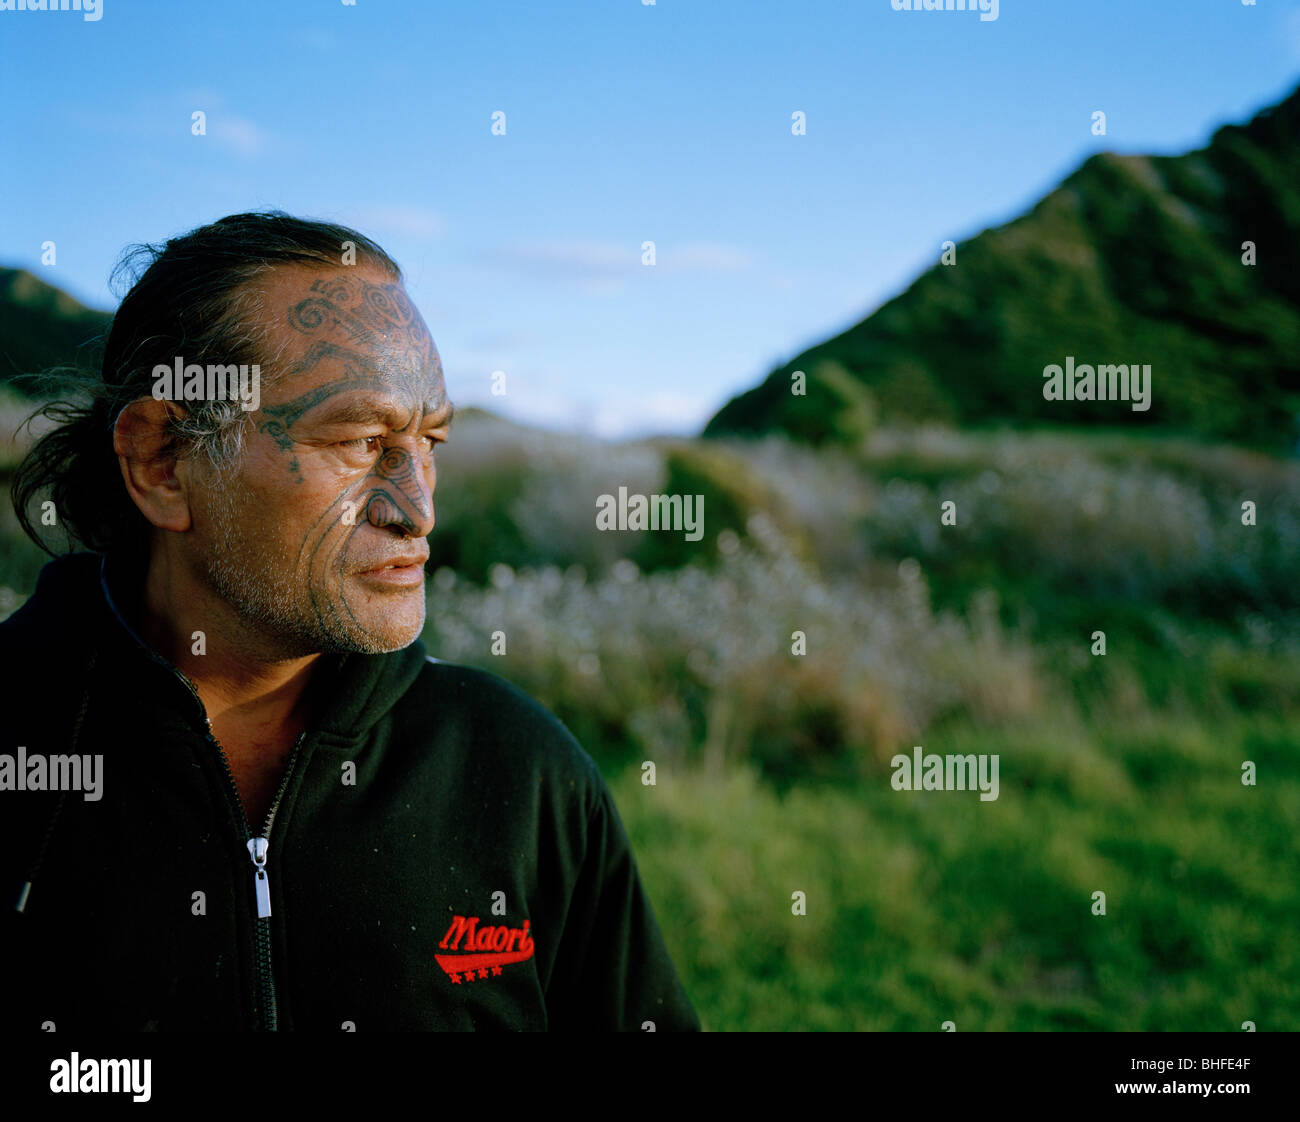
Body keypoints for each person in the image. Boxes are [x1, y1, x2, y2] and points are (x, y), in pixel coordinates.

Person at [0, 211, 700, 1031]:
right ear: (163, 461)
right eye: (363, 440)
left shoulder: (518, 771)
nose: (418, 509)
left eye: (429, 440)